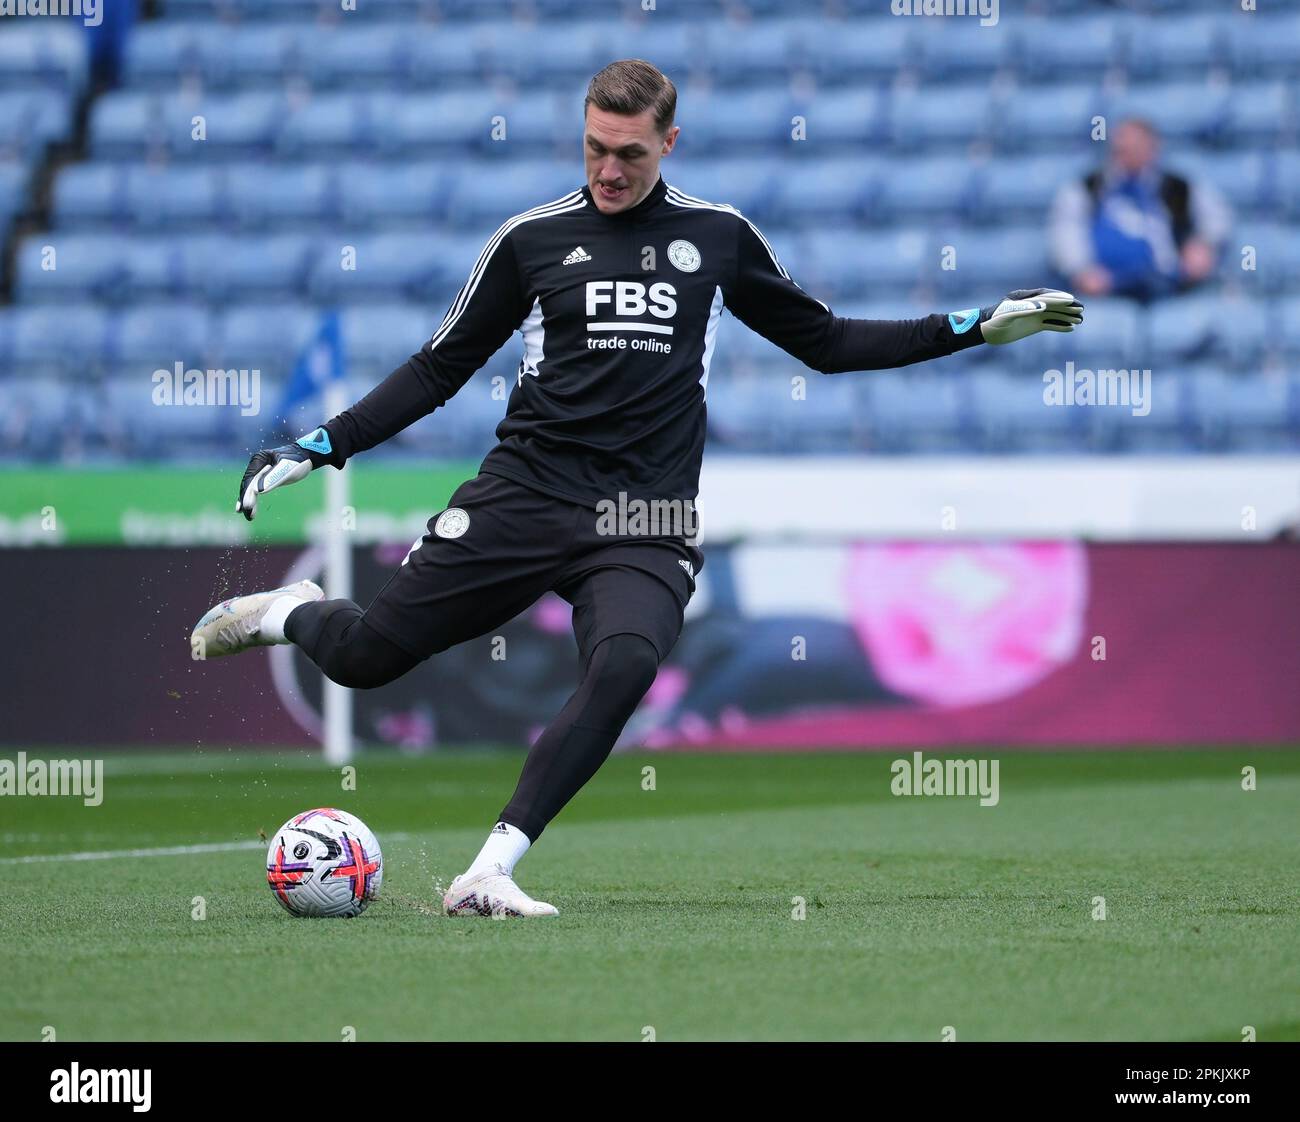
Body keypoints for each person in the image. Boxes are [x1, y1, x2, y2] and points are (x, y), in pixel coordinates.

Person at [191, 60, 1083, 918]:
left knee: (624, 664)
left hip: (642, 520)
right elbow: (439, 367)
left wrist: (970, 326)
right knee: (363, 660)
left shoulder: (718, 238)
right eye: (595, 149)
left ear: (670, 143)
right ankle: (290, 610)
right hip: (525, 494)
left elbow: (828, 341)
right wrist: (321, 445)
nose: (610, 170)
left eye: (631, 154)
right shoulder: (530, 240)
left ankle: (489, 871)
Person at [1048, 117, 1231, 301]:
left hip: (1169, 284)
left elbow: (1217, 217)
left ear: (1153, 148)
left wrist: (1205, 244)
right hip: (1106, 288)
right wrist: (1081, 269)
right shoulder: (1087, 188)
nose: (1128, 156)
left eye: (1137, 148)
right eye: (1122, 150)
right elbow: (1066, 228)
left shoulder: (1179, 187)